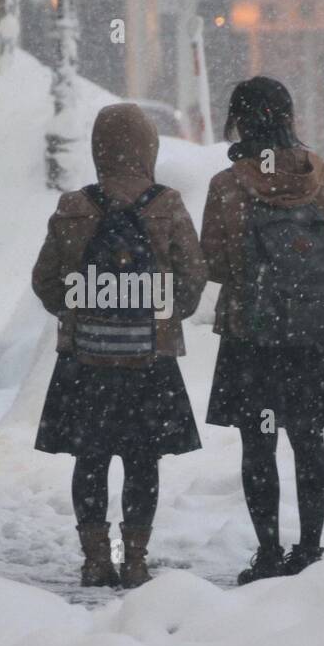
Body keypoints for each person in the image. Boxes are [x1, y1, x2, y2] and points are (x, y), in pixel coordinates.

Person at [32, 102, 207, 590]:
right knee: (142, 459)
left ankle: (93, 558)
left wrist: (78, 308)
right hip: (148, 361)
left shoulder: (75, 207)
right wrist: (164, 313)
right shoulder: (166, 205)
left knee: (90, 458)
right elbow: (194, 277)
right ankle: (135, 558)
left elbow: (45, 280)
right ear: (148, 147)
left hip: (86, 362)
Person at [201, 76, 324, 583]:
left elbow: (215, 262)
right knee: (309, 440)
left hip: (255, 337)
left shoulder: (227, 186)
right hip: (315, 336)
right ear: (288, 118)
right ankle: (310, 549)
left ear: (241, 121)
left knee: (260, 444)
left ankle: (269, 553)